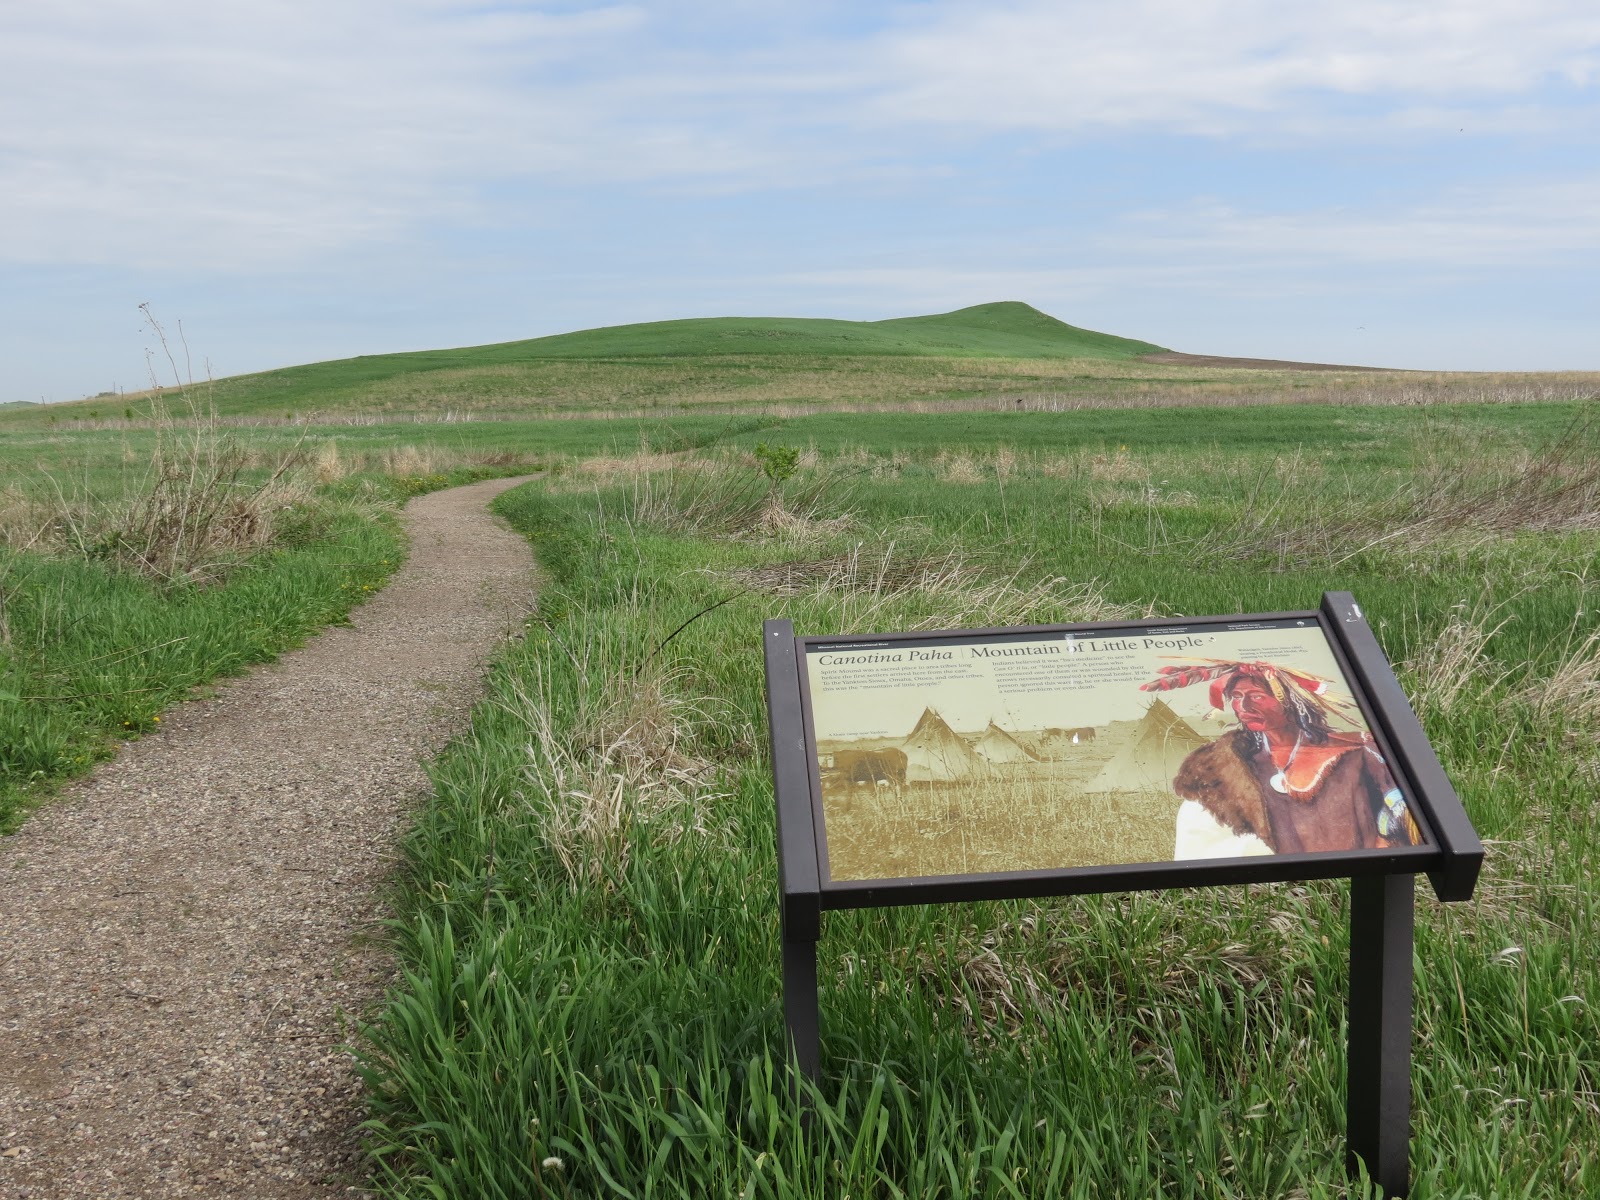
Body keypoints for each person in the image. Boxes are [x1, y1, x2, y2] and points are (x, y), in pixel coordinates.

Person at [1139, 660, 1421, 858]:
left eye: (1256, 696)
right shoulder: (1220, 766)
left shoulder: (1356, 753)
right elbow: (1199, 844)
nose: (1243, 706)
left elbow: (1398, 821)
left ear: (1291, 702)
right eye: (1236, 697)